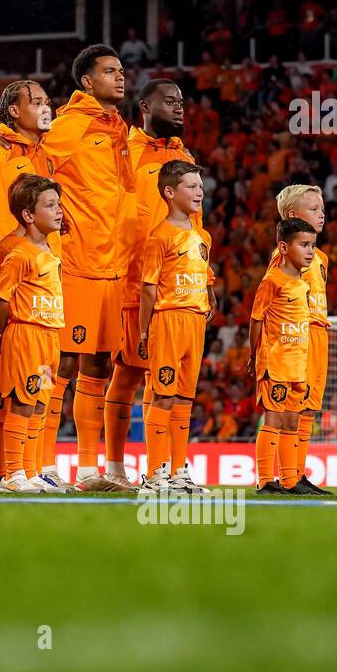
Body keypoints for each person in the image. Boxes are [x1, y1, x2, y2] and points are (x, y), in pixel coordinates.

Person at [46, 44, 135, 491]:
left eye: (121, 71)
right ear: (86, 82)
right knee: (62, 362)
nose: (120, 78)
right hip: (78, 262)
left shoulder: (119, 128)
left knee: (99, 364)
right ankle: (40, 465)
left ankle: (85, 470)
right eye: (109, 72)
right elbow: (36, 173)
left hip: (114, 267)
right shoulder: (69, 126)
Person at [106, 79, 198, 488]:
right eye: (169, 101)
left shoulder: (184, 157)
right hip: (131, 283)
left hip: (179, 293)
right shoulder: (125, 149)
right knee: (127, 375)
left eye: (182, 101)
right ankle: (112, 467)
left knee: (172, 384)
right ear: (144, 105)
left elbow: (193, 226)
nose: (179, 107)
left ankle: (173, 467)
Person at [136, 160, 217, 495]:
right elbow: (148, 288)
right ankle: (155, 475)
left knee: (185, 399)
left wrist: (210, 297)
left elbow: (206, 275)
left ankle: (179, 472)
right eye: (191, 186)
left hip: (195, 322)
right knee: (164, 395)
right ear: (170, 192)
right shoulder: (160, 237)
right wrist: (143, 331)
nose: (199, 192)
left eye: (200, 186)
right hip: (168, 320)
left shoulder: (203, 236)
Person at [0, 175, 65, 493]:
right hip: (27, 334)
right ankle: (13, 474)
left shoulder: (49, 251)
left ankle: (32, 471)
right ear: (28, 215)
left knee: (40, 404)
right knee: (22, 402)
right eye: (50, 205)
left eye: (59, 204)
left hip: (50, 337)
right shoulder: (20, 255)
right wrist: (2, 333)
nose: (59, 211)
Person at [248, 218, 319, 495]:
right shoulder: (272, 280)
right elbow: (256, 320)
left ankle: (289, 480)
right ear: (283, 247)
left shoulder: (303, 284)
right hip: (275, 363)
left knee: (292, 421)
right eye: (303, 245)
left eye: (312, 245)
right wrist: (253, 355)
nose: (310, 251)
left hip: (296, 365)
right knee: (274, 420)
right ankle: (265, 480)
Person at [271, 184, 332, 495]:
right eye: (313, 209)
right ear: (293, 215)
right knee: (291, 408)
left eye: (321, 208)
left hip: (319, 333)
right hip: (297, 336)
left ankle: (297, 473)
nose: (321, 213)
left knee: (308, 408)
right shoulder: (282, 255)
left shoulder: (320, 257)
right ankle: (283, 477)